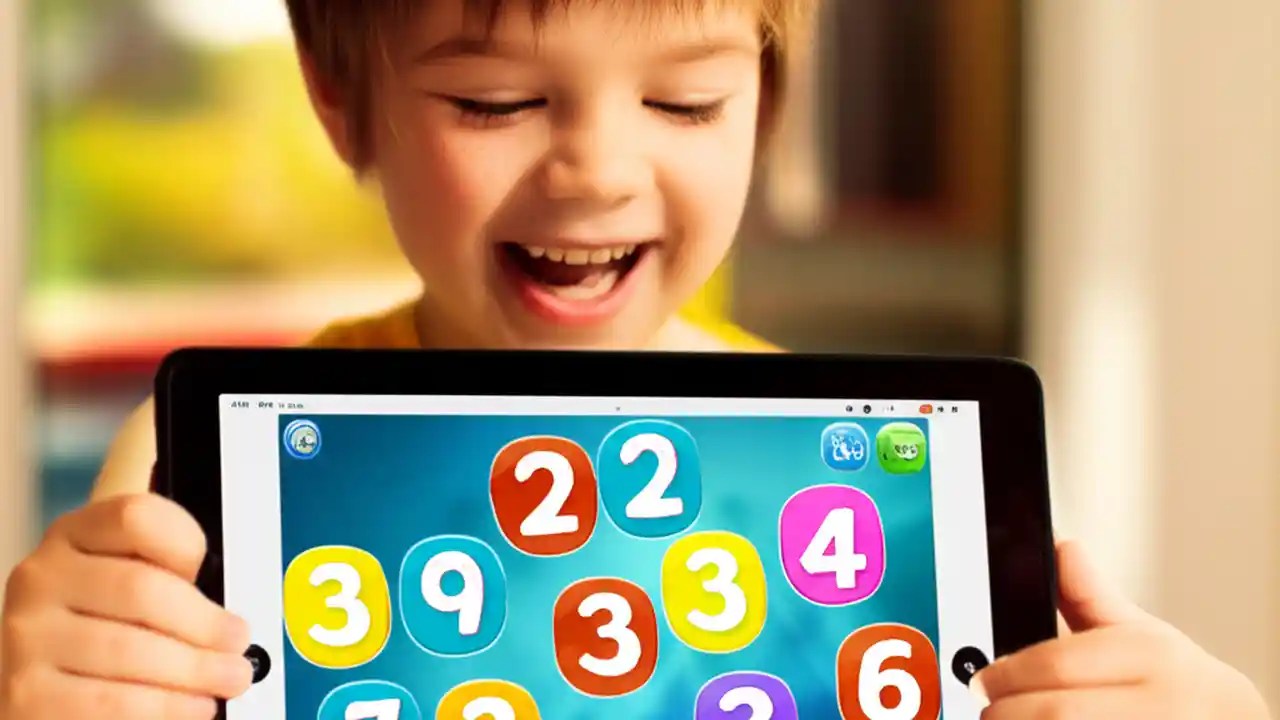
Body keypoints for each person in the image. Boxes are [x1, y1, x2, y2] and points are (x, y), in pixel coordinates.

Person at [0, 1, 1271, 718]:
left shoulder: (867, 489)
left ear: (764, 107)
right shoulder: (183, 472)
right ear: (342, 97)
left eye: (685, 102)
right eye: (494, 100)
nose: (597, 171)